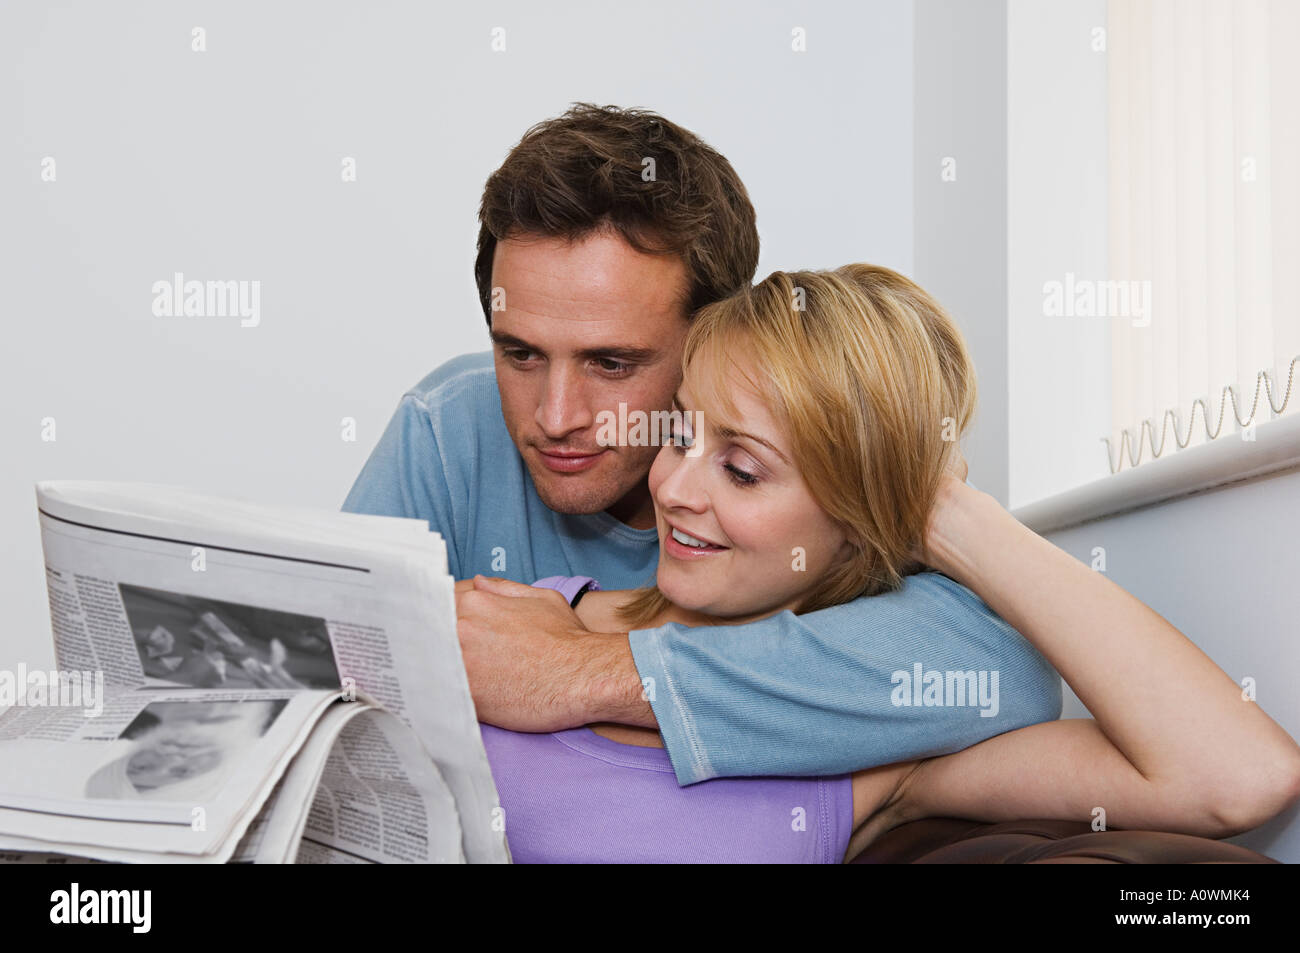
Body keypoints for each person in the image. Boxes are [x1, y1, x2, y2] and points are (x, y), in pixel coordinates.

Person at [464, 264, 1300, 862]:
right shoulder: (521, 617)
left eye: (743, 468)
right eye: (681, 433)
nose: (677, 489)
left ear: (860, 526)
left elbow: (1238, 777)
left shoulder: (890, 746)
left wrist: (945, 513)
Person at [344, 104, 1061, 792]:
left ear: (712, 341)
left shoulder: (800, 471)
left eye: (612, 363)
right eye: (520, 353)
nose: (556, 416)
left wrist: (581, 670)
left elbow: (1000, 669)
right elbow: (316, 678)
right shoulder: (446, 428)